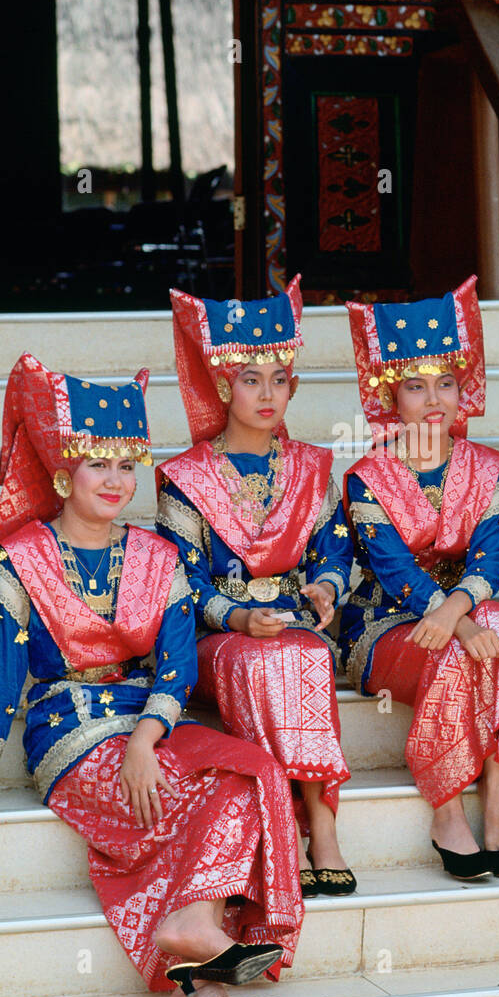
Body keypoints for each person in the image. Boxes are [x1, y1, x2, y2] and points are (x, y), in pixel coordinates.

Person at [0, 353, 303, 997]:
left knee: (249, 777)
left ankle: (196, 967)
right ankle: (201, 965)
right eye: (96, 465)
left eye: (126, 466)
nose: (115, 481)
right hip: (70, 733)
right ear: (62, 474)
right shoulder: (21, 561)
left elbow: (175, 671)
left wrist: (143, 739)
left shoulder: (154, 555)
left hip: (149, 723)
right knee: (185, 798)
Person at [338, 277, 499, 880]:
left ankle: (495, 804)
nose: (434, 397)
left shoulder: (485, 466)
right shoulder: (367, 477)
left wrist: (455, 610)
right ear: (391, 396)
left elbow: (492, 555)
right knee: (470, 650)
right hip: (384, 624)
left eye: (446, 382)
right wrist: (450, 618)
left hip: (460, 609)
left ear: (463, 389)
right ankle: (444, 806)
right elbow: (393, 567)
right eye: (415, 385)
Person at [157, 283, 355, 898]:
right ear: (222, 387)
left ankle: (319, 817)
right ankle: (284, 814)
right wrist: (238, 620)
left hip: (296, 624)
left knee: (304, 652)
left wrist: (325, 586)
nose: (267, 393)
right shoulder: (186, 477)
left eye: (278, 378)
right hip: (222, 637)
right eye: (250, 379)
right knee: (264, 660)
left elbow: (335, 547)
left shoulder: (310, 467)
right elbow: (181, 581)